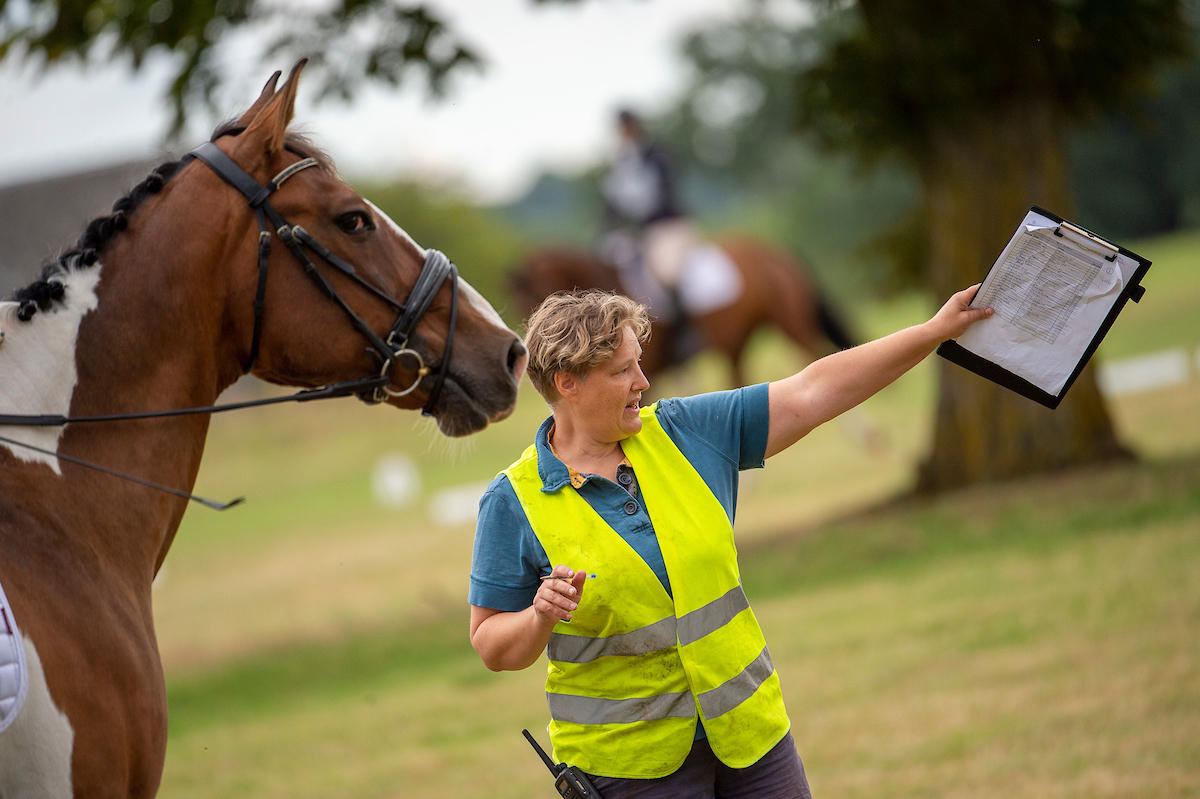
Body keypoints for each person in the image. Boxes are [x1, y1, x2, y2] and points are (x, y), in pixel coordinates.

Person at [468, 287, 993, 798]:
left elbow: (813, 390)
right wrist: (539, 615)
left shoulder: (686, 433)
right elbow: (491, 643)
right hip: (629, 768)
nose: (642, 382)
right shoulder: (513, 501)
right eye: (622, 370)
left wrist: (932, 333)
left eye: (639, 363)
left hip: (751, 738)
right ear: (568, 384)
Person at [599, 108, 696, 332]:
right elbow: (610, 202)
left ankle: (684, 333)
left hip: (666, 228)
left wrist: (639, 222)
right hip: (635, 234)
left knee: (667, 272)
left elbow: (663, 194)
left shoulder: (657, 156)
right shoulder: (619, 163)